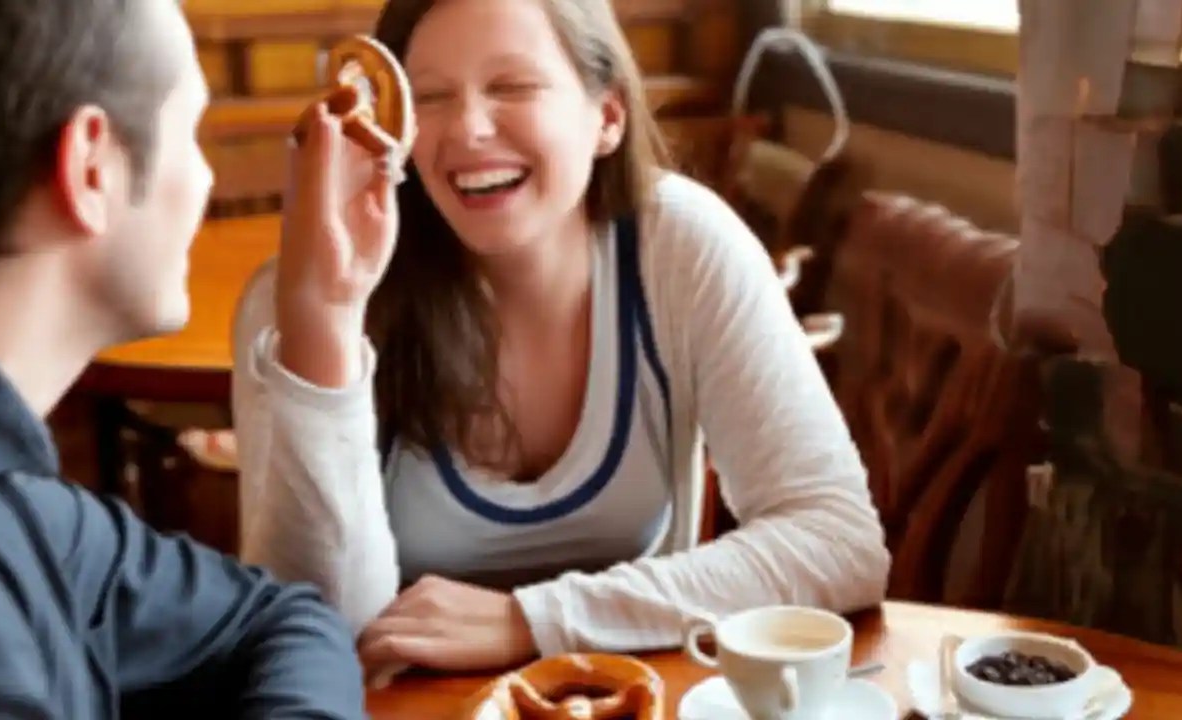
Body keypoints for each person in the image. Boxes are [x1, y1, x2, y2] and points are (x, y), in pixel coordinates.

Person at [232, 0, 892, 682]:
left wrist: (529, 620)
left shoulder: (682, 247)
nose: (468, 128)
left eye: (512, 86)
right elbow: (307, 639)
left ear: (607, 116)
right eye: (429, 98)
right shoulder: (306, 294)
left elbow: (836, 542)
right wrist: (325, 317)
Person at [0, 1, 367, 717]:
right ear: (91, 168)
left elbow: (280, 617)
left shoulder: (9, 493)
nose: (203, 182)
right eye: (190, 132)